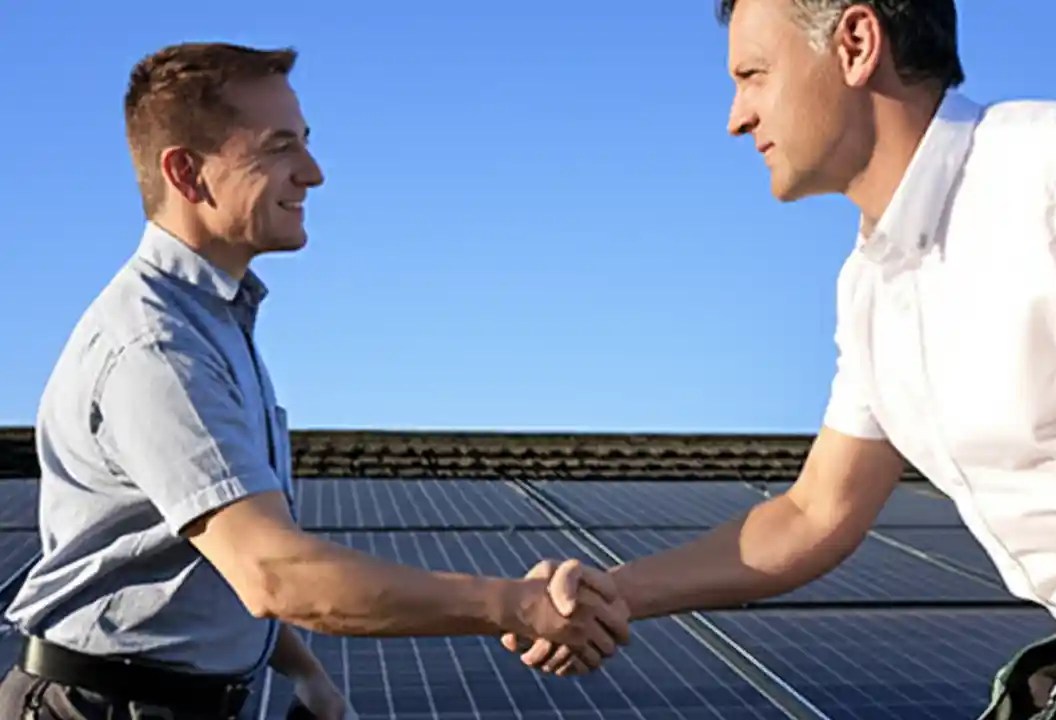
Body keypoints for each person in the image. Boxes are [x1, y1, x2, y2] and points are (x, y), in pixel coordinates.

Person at [500, 1, 1056, 718]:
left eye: (752, 75)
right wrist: (610, 593)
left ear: (857, 43)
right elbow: (813, 516)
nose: (737, 118)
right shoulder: (869, 285)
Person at [0, 42, 627, 720]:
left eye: (305, 143)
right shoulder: (157, 346)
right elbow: (273, 572)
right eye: (279, 148)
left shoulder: (213, 325)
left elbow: (209, 559)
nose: (314, 173)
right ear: (186, 172)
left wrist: (307, 676)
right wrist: (515, 604)